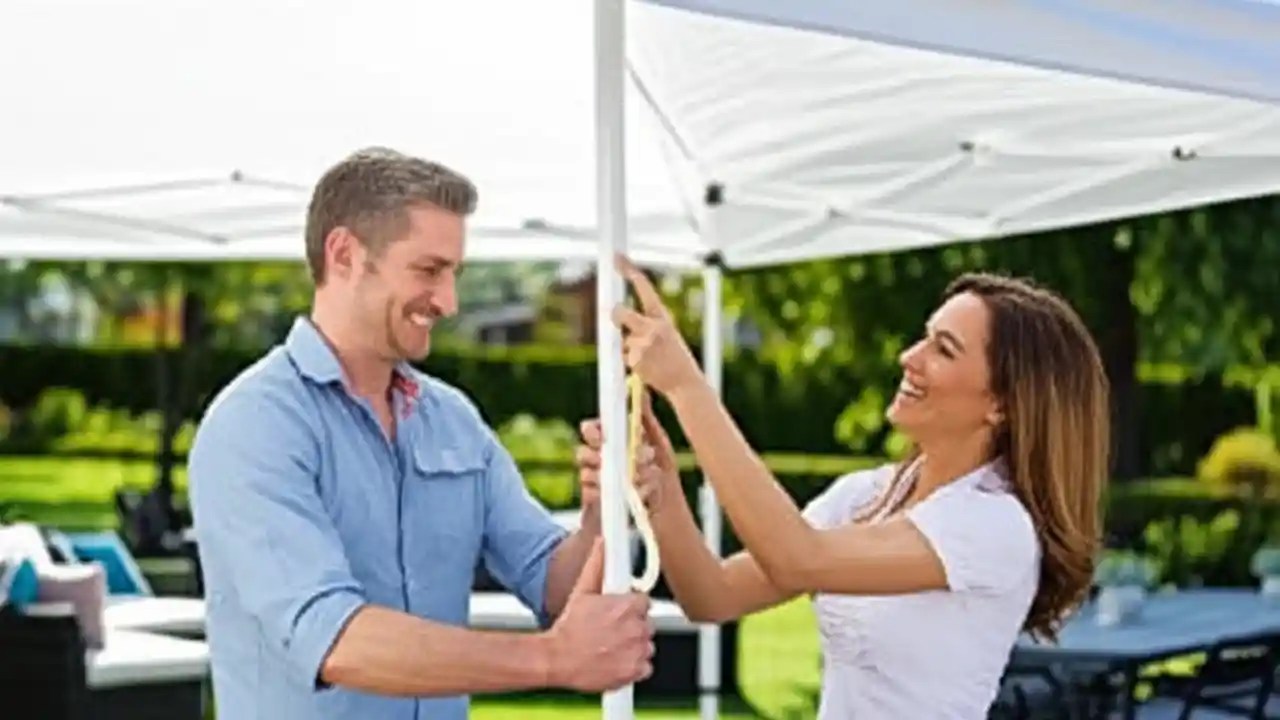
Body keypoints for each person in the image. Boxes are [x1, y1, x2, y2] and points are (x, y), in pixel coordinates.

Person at [188, 148, 654, 720]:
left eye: (454, 274)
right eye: (428, 270)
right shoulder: (255, 425)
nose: (449, 302)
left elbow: (554, 586)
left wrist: (601, 513)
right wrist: (551, 660)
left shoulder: (453, 420)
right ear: (344, 255)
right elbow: (334, 640)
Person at [579, 257, 1110, 718]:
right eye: (924, 336)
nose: (910, 356)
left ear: (1003, 404)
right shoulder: (866, 496)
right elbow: (712, 596)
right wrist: (663, 490)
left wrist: (686, 385)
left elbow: (797, 558)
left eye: (943, 350)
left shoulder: (995, 525)